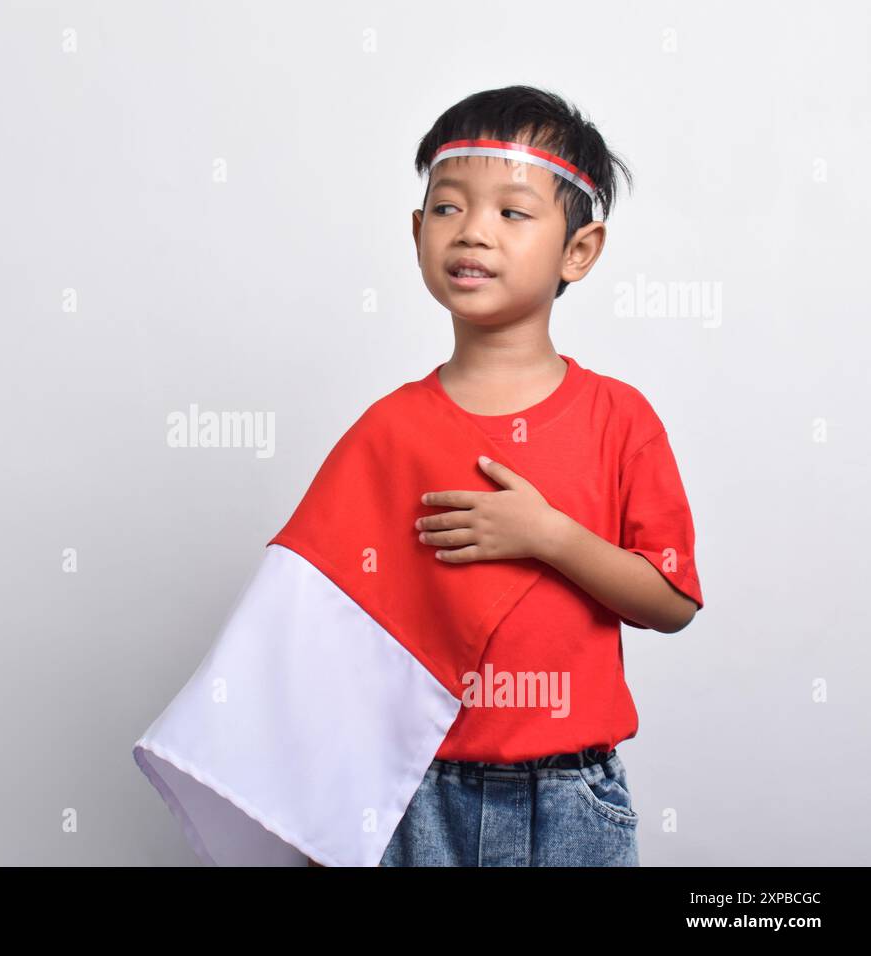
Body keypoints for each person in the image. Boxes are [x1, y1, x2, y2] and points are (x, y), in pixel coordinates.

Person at [311, 86, 704, 866]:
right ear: (418, 232)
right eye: (450, 208)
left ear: (579, 251)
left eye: (512, 213)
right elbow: (322, 623)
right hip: (413, 793)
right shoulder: (387, 431)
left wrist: (549, 536)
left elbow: (671, 603)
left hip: (569, 800)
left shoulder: (619, 420)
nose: (474, 232)